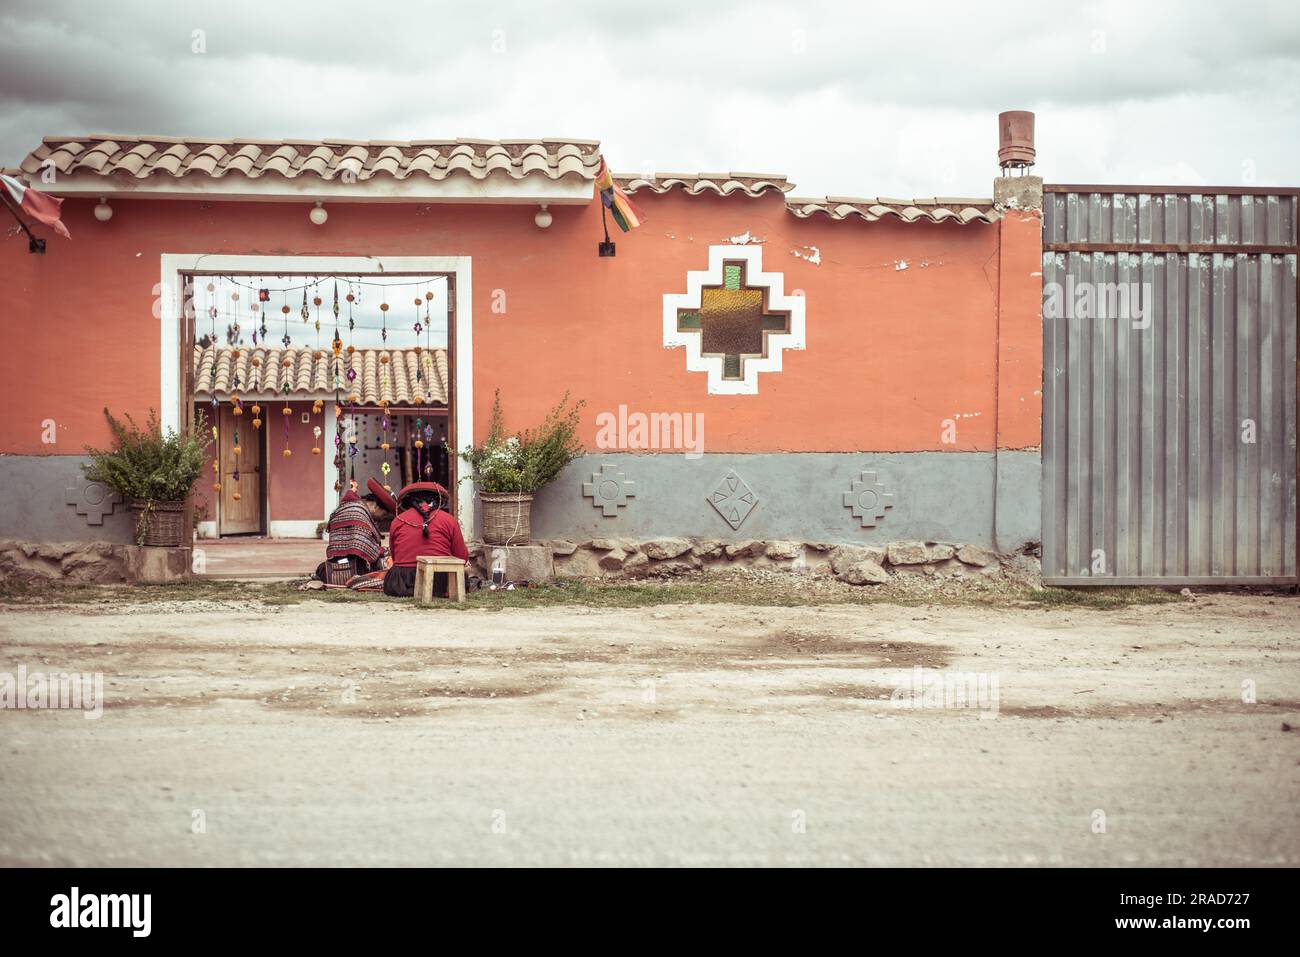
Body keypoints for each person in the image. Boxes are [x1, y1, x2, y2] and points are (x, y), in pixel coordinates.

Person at [348, 482, 468, 597]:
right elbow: (461, 557)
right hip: (439, 582)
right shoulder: (449, 520)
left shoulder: (398, 520)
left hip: (401, 583)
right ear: (436, 501)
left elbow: (395, 556)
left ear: (410, 502)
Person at [314, 490, 384, 584]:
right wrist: (381, 551)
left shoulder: (346, 507)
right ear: (375, 506)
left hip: (336, 559)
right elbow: (364, 547)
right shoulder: (359, 513)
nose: (382, 518)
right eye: (383, 514)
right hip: (354, 563)